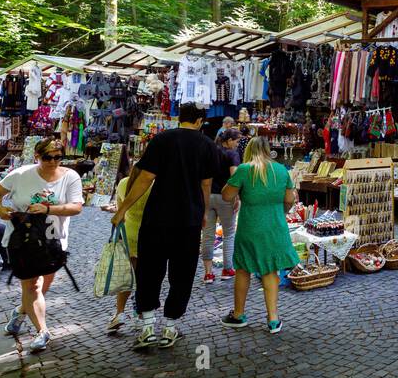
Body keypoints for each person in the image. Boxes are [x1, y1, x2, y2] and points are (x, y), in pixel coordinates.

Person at [112, 103, 220, 350]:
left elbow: (145, 178)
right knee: (182, 274)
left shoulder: (162, 140)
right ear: (200, 120)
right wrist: (202, 213)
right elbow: (206, 185)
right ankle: (170, 328)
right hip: (188, 220)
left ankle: (148, 326)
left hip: (157, 217)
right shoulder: (207, 145)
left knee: (149, 270)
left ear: (179, 118)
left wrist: (122, 209)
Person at [0, 137, 84, 352]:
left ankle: (21, 311)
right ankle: (43, 331)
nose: (53, 162)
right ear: (37, 156)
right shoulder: (21, 174)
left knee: (43, 285)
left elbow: (77, 207)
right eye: (48, 157)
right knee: (32, 285)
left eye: (58, 157)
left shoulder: (70, 177)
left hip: (54, 240)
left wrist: (48, 209)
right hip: (22, 240)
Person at [219, 136, 299, 333]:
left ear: (248, 151)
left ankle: (238, 315)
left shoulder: (245, 170)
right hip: (275, 226)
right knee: (270, 269)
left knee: (243, 269)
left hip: (250, 226)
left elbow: (226, 195)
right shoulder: (281, 170)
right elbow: (290, 199)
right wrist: (281, 212)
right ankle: (273, 319)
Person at [102, 146, 151, 333]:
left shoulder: (123, 183)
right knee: (146, 278)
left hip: (129, 234)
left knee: (128, 277)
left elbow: (120, 212)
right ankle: (141, 314)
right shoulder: (154, 186)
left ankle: (119, 313)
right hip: (149, 235)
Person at [202, 129, 241, 283]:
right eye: (237, 141)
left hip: (208, 196)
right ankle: (227, 269)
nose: (237, 145)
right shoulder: (232, 155)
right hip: (226, 197)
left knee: (208, 234)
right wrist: (237, 196)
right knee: (229, 233)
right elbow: (235, 176)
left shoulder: (210, 152)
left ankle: (208, 273)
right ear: (229, 140)